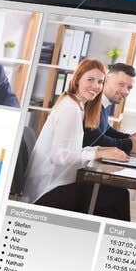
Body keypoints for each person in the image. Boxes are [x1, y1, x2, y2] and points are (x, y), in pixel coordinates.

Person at [18, 58, 128, 218]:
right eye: (90, 79)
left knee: (115, 193)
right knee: (115, 195)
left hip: (58, 183)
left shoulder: (76, 105)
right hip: (48, 190)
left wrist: (102, 150)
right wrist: (98, 154)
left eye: (100, 82)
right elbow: (60, 156)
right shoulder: (71, 109)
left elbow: (72, 150)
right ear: (77, 80)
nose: (96, 86)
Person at [82, 62, 136, 156]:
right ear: (106, 80)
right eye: (121, 84)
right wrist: (130, 143)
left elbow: (106, 129)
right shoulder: (90, 103)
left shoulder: (102, 104)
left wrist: (129, 137)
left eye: (129, 88)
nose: (125, 91)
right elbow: (94, 139)